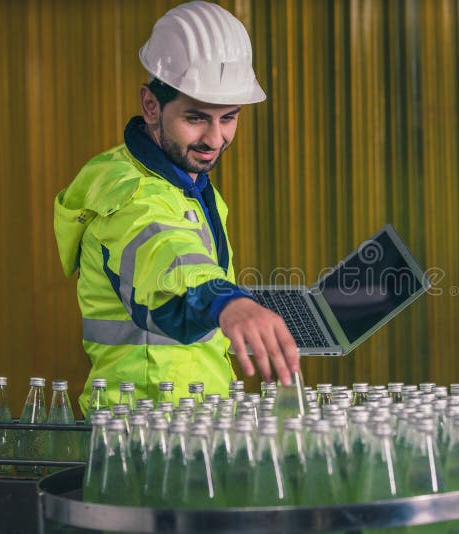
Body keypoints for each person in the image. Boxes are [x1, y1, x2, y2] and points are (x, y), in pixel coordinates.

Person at [53, 1, 299, 414]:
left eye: (229, 118)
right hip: (140, 436)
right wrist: (228, 303)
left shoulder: (190, 186)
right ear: (151, 105)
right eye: (197, 118)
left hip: (193, 423)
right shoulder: (127, 194)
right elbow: (167, 260)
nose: (215, 139)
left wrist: (248, 308)